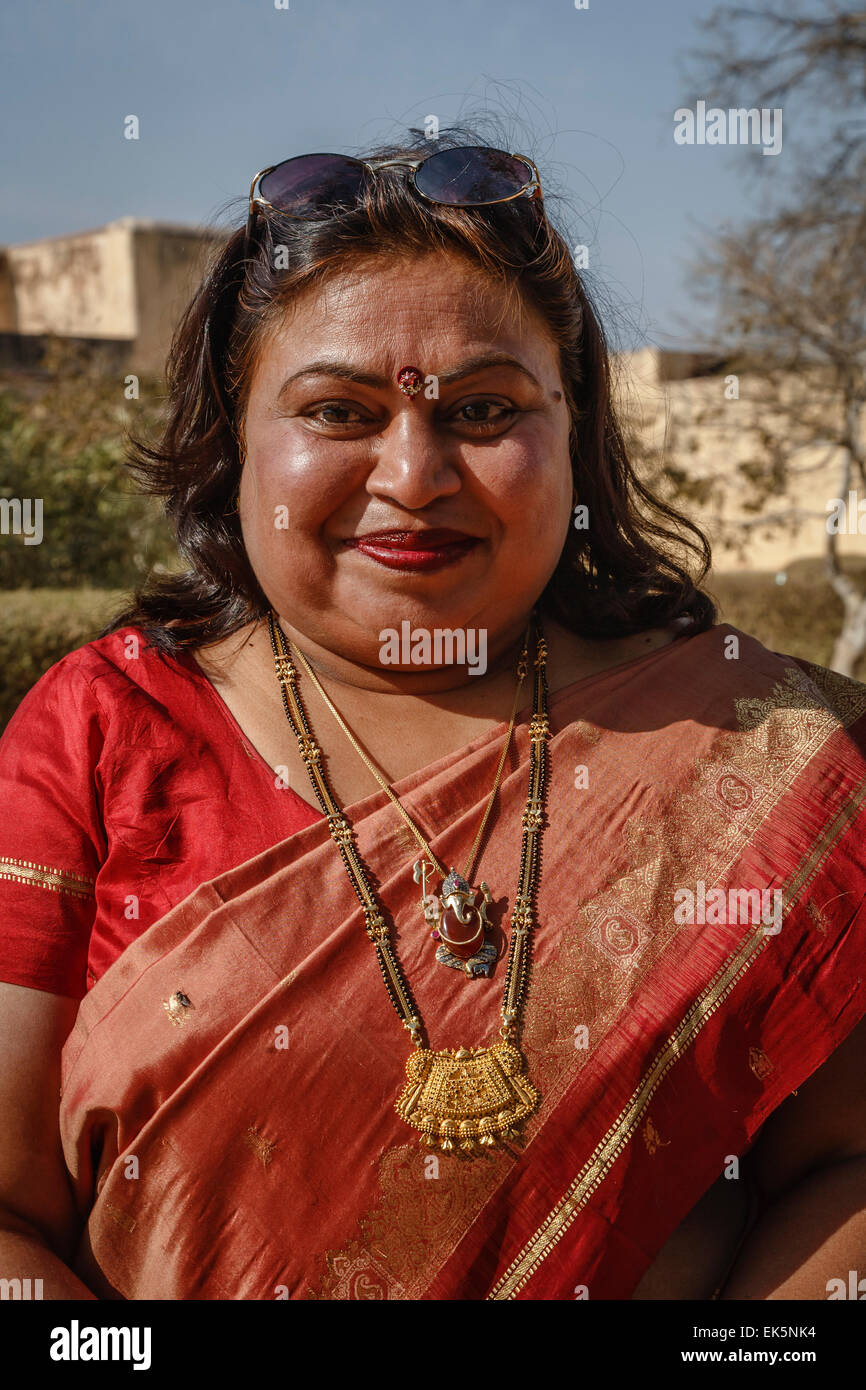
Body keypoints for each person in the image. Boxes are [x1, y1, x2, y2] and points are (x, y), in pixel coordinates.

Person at [1, 128, 865, 1302]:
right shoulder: (104, 732)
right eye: (340, 412)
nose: (413, 474)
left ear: (575, 440)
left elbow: (842, 1171)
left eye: (481, 409)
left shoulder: (755, 746)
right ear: (233, 444)